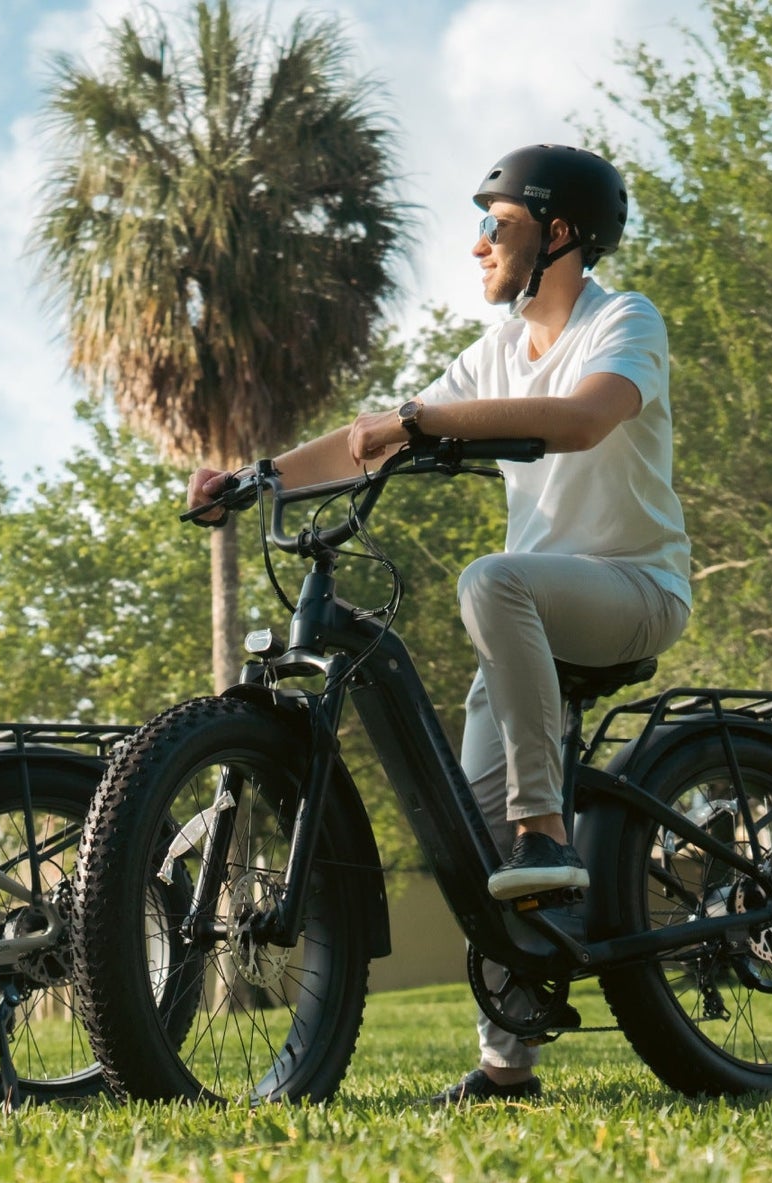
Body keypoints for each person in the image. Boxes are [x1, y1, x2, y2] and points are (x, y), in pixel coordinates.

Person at [186, 144, 692, 1106]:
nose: (477, 245)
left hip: (635, 588)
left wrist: (418, 424)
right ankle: (506, 1067)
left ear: (561, 233)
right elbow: (368, 437)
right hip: (532, 620)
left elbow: (585, 418)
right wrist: (255, 479)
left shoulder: (623, 320)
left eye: (496, 225)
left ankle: (547, 833)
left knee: (491, 582)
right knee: (472, 833)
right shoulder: (495, 352)